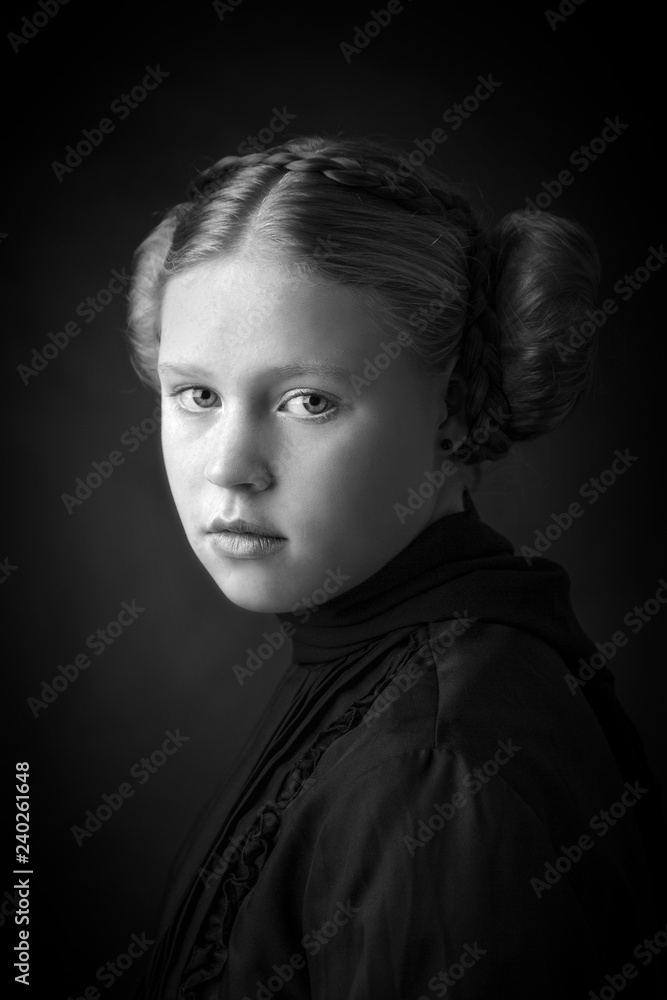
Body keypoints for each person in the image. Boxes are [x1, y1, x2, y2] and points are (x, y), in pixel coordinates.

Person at [126, 135, 665, 998]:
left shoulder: (436, 766)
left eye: (308, 401)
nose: (229, 465)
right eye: (196, 394)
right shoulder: (379, 659)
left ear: (457, 407)